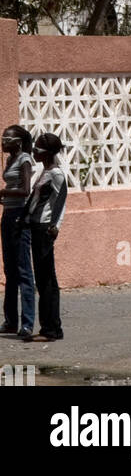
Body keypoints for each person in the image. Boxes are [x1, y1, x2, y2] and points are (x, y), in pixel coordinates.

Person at [21, 134, 67, 343]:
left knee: (47, 280)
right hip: (36, 226)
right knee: (44, 279)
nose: (34, 153)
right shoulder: (45, 173)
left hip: (45, 229)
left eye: (37, 150)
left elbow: (61, 201)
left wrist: (55, 227)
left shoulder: (56, 174)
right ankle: (49, 326)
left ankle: (51, 328)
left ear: (47, 153)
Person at [0, 125, 36, 340]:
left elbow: (25, 190)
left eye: (7, 138)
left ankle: (28, 323)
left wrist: (2, 192)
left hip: (20, 217)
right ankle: (11, 321)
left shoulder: (25, 159)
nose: (3, 141)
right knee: (10, 269)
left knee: (24, 270)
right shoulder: (9, 160)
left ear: (19, 142)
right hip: (7, 214)